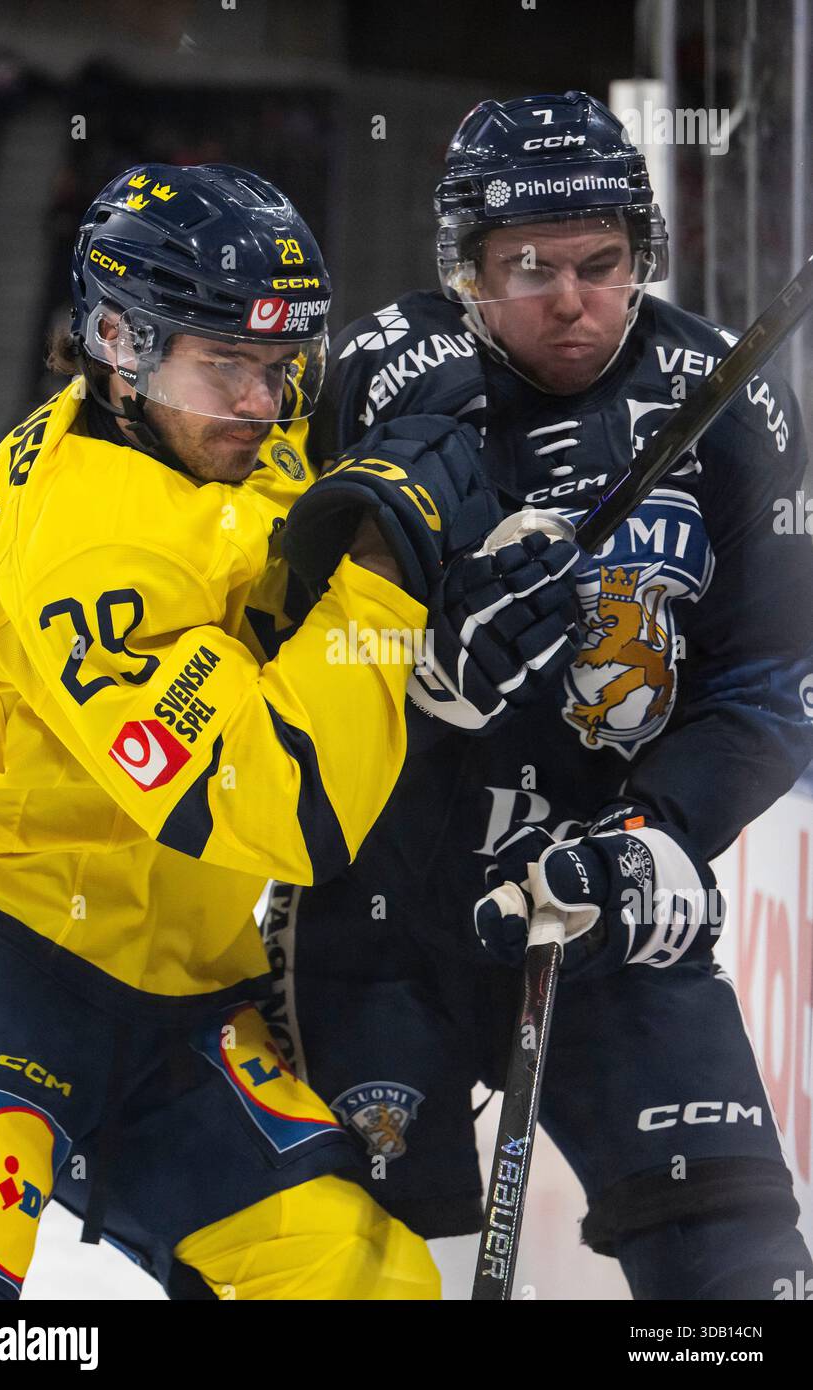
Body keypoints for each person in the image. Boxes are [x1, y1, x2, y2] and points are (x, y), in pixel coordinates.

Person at [263, 93, 813, 1299]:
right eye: (528, 267)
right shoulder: (358, 383)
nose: (571, 300)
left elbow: (772, 682)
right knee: (371, 1281)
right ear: (464, 265)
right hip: (377, 921)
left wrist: (654, 831)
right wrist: (416, 679)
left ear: (639, 253)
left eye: (601, 264)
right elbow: (265, 638)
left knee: (741, 1280)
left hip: (600, 911)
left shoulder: (733, 408)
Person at [0, 161, 500, 1301]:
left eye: (276, 364)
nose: (260, 402)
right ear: (118, 341)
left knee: (365, 1279)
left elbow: (272, 554)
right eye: (225, 366)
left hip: (169, 994)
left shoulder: (205, 432)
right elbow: (287, 806)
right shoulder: (89, 550)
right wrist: (388, 576)